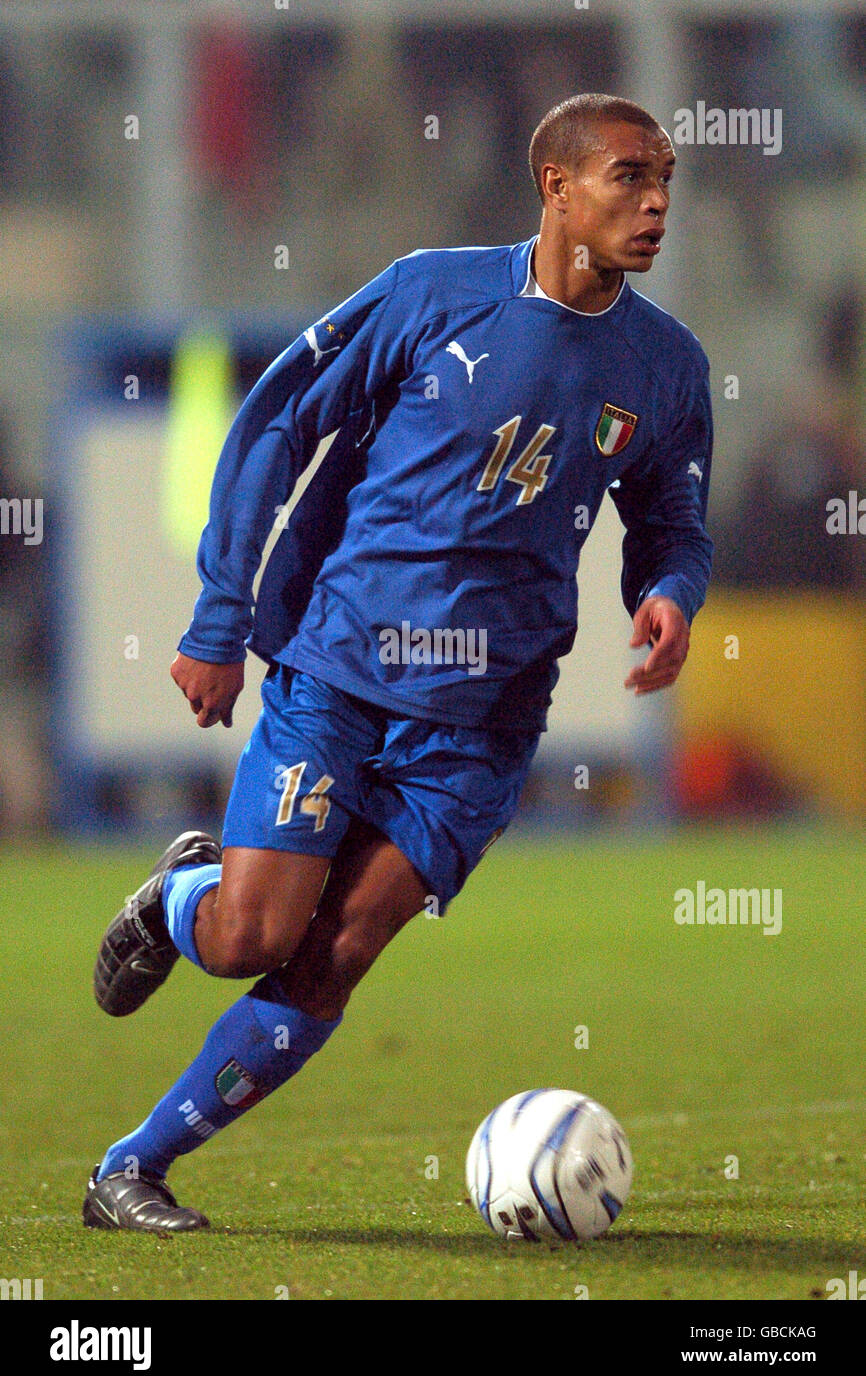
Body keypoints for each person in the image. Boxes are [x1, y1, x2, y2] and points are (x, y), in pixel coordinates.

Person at [83, 93, 712, 1232]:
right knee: (251, 937)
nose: (657, 198)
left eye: (664, 175)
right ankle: (182, 898)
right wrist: (220, 619)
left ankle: (130, 1168)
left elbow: (671, 517)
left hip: (483, 721)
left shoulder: (665, 367)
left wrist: (667, 593)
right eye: (628, 176)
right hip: (340, 678)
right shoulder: (433, 293)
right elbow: (276, 422)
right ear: (555, 189)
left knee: (333, 956)